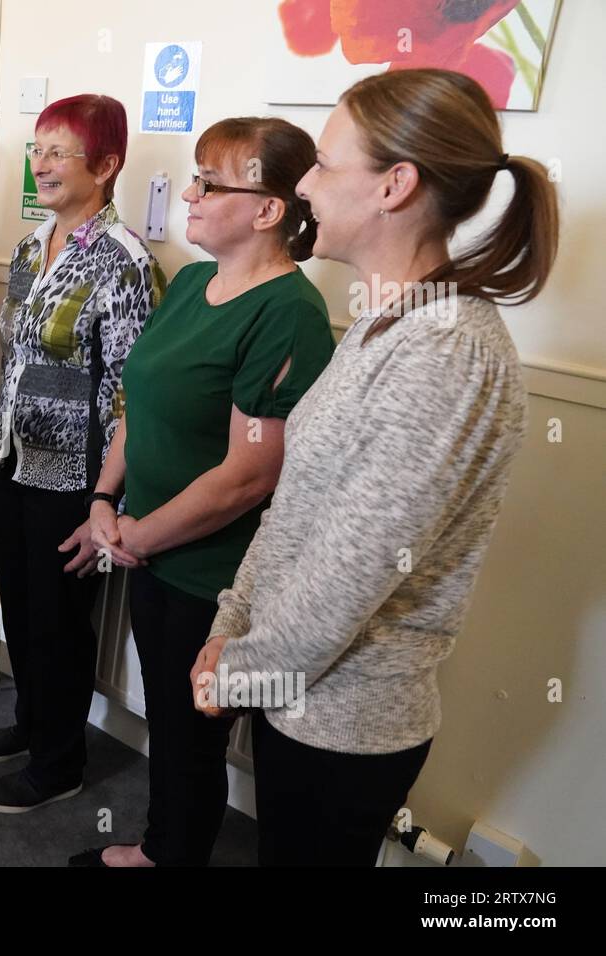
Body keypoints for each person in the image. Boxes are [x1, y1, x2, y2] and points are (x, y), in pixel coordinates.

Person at [189, 68, 559, 865]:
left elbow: (351, 571)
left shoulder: (447, 350)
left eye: (322, 163)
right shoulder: (383, 323)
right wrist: (232, 625)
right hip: (297, 699)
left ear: (395, 185)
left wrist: (242, 670)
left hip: (347, 724)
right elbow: (296, 514)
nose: (306, 185)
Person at [67, 118, 334, 867]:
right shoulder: (190, 281)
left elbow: (249, 476)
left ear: (268, 209)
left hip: (209, 575)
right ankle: (165, 846)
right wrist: (103, 500)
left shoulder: (289, 313)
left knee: (191, 735)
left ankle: (166, 856)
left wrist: (134, 539)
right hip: (144, 549)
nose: (188, 192)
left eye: (210, 184)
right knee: (172, 724)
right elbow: (137, 402)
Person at [0, 95, 165, 813]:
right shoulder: (28, 248)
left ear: (106, 166)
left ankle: (60, 763)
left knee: (57, 624)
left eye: (59, 151)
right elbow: (15, 359)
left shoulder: (124, 264)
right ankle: (31, 724)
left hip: (73, 482)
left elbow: (129, 397)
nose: (41, 163)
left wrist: (105, 502)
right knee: (20, 610)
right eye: (37, 148)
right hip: (11, 460)